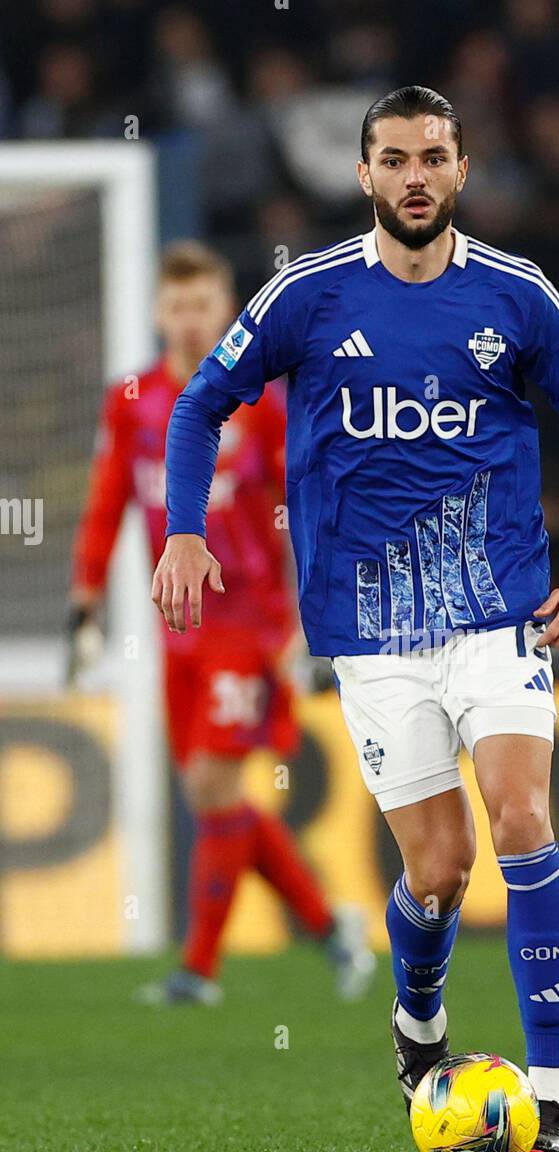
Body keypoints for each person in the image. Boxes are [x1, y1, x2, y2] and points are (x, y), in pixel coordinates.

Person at [153, 88, 559, 1152]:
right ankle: (416, 1013)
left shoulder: (514, 295)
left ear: (461, 171)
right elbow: (200, 403)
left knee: (519, 820)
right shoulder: (308, 294)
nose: (413, 175)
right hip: (370, 632)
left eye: (433, 157)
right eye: (392, 158)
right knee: (438, 869)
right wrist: (184, 531)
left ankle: (549, 1097)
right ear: (362, 174)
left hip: (495, 612)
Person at [70, 240, 374, 1004]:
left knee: (212, 782)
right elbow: (108, 499)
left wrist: (308, 616)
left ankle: (196, 971)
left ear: (227, 306)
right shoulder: (131, 398)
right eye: (175, 305)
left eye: (202, 303)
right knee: (215, 797)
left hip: (249, 620)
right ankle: (330, 925)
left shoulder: (262, 399)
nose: (188, 319)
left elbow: (305, 505)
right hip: (176, 623)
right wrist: (85, 597)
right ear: (154, 312)